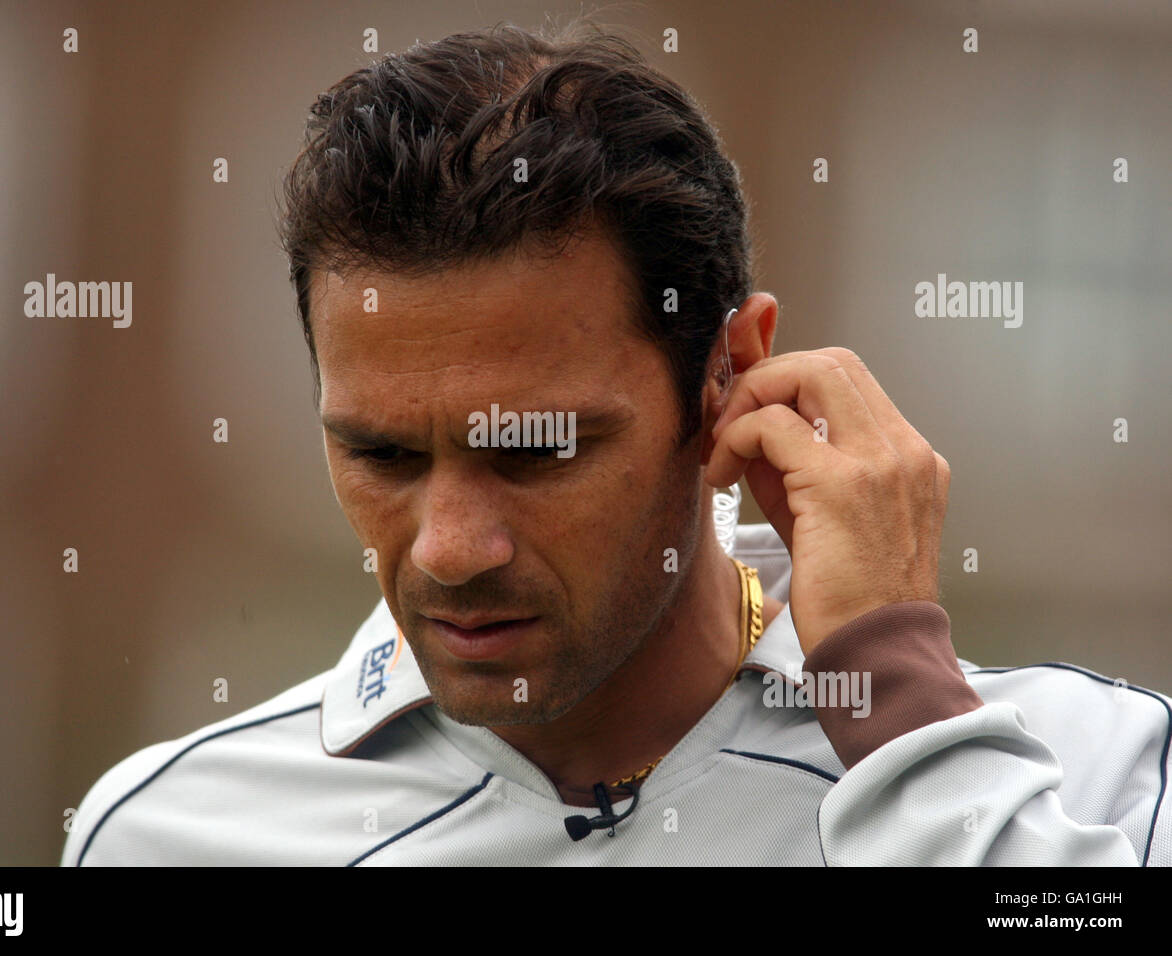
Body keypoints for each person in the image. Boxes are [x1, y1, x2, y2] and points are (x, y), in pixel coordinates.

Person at [62, 20, 1170, 866]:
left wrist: (896, 706)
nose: (449, 547)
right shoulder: (166, 832)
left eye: (538, 450)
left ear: (725, 376)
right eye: (384, 455)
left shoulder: (1104, 777)